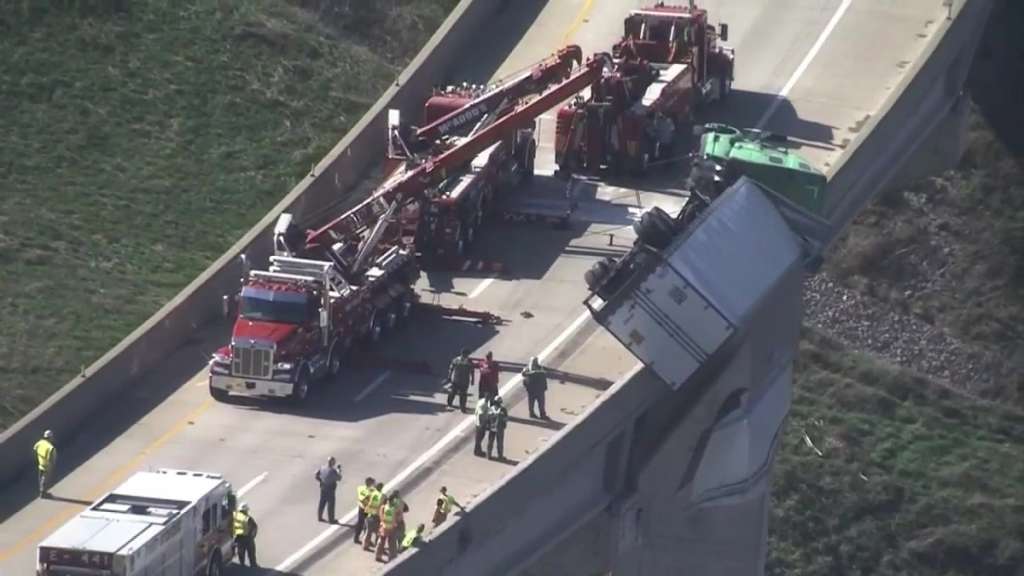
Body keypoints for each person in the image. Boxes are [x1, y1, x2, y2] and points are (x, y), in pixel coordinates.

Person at [315, 456, 342, 523]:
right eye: (334, 461)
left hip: (323, 487)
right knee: (331, 505)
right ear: (332, 462)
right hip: (330, 489)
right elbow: (339, 478)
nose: (335, 462)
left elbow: (316, 475)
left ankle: (319, 517)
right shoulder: (332, 471)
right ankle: (331, 520)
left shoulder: (322, 467)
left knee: (322, 502)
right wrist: (339, 471)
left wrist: (321, 481)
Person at [447, 348, 475, 412]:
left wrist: (472, 380)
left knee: (463, 394)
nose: (466, 356)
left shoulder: (469, 362)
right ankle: (449, 404)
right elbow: (451, 368)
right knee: (452, 393)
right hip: (456, 380)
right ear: (462, 354)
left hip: (465, 381)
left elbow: (472, 371)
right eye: (465, 354)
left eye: (467, 355)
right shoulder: (456, 360)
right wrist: (449, 376)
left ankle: (462, 407)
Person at [375, 494, 401, 562]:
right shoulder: (395, 509)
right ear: (392, 500)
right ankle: (392, 558)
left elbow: (381, 516)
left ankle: (378, 555)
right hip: (391, 528)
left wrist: (383, 523)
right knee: (392, 544)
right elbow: (398, 518)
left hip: (384, 527)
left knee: (381, 542)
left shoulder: (383, 507)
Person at [233, 502, 259, 567]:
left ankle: (242, 565)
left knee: (241, 555)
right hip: (248, 539)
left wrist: (235, 540)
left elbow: (232, 529)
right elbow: (254, 527)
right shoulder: (249, 518)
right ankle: (253, 565)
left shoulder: (236, 518)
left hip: (239, 540)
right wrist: (252, 536)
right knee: (251, 554)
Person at [362, 482, 385, 552]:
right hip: (377, 516)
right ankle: (377, 546)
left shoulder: (371, 493)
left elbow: (365, 500)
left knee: (368, 532)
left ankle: (365, 545)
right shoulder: (383, 496)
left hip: (369, 514)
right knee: (379, 533)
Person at [33, 430, 57, 498]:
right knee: (45, 480)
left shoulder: (39, 443)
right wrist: (52, 465)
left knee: (41, 478)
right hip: (47, 466)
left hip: (40, 464)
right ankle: (43, 493)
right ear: (51, 437)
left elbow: (34, 450)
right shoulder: (51, 448)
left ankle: (42, 491)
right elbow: (53, 458)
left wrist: (37, 460)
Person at [487, 396, 509, 460]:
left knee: (491, 442)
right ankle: (499, 456)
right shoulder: (503, 409)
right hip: (499, 428)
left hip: (493, 428)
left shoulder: (491, 409)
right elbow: (506, 419)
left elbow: (487, 419)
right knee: (498, 442)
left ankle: (489, 455)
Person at [354, 476, 375, 544]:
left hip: (367, 508)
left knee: (367, 525)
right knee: (361, 524)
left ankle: (366, 539)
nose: (373, 484)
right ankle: (357, 538)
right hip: (363, 509)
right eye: (372, 483)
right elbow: (363, 500)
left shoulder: (372, 490)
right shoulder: (363, 489)